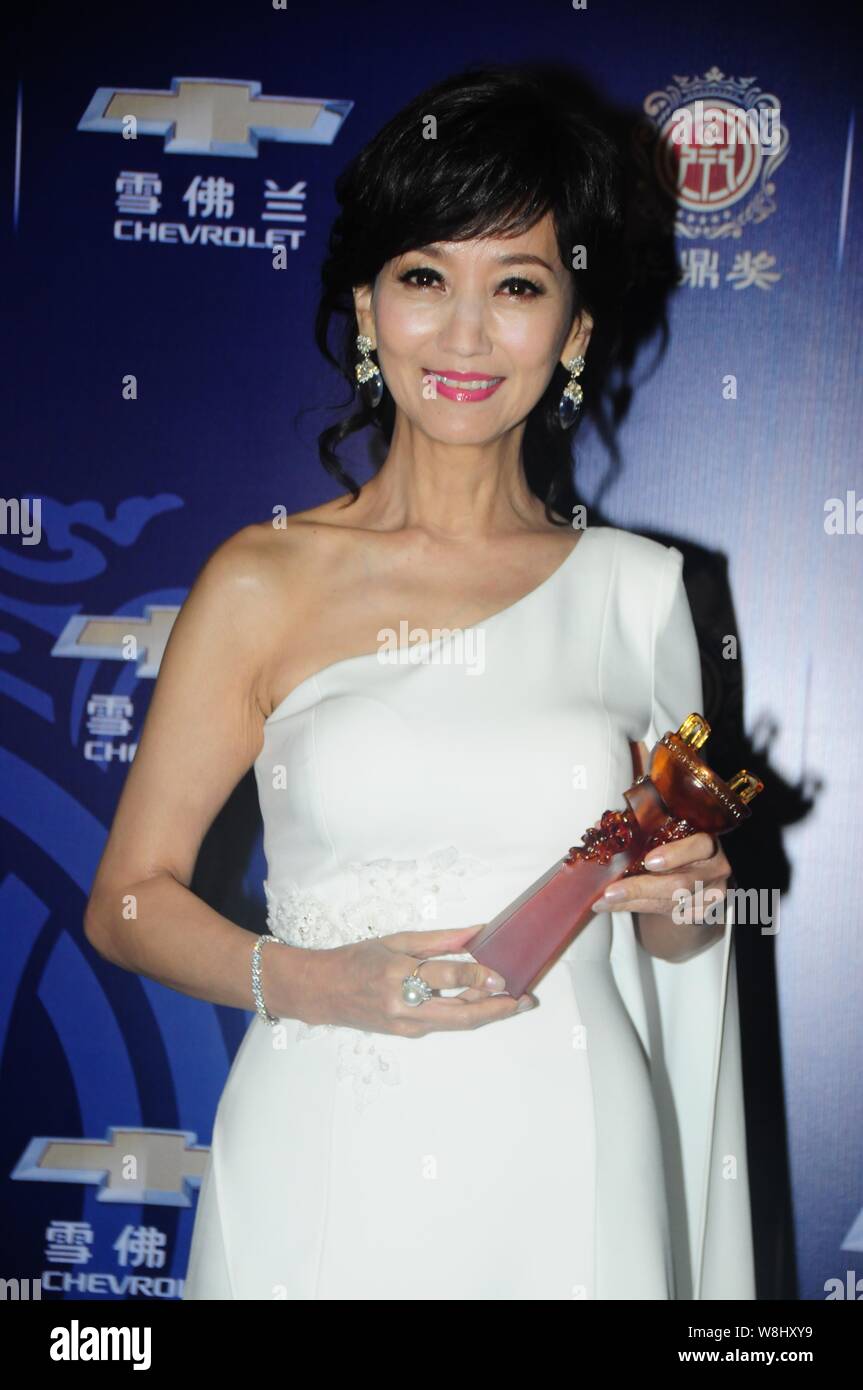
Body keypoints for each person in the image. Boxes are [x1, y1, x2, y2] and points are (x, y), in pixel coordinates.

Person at [84, 64, 755, 1300]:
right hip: (330, 1143)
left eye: (515, 286)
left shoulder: (636, 589)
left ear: (574, 329)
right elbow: (125, 901)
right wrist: (306, 979)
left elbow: (667, 935)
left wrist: (689, 897)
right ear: (365, 304)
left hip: (569, 1151)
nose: (462, 334)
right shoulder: (262, 577)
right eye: (422, 278)